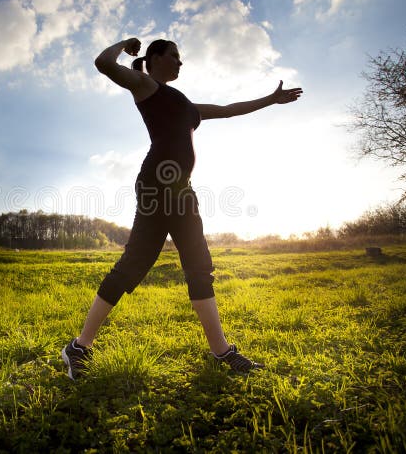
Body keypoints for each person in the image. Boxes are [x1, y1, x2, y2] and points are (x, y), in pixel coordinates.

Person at [62, 37, 303, 380]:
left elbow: (228, 109)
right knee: (134, 264)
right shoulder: (146, 85)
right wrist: (125, 44)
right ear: (155, 58)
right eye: (174, 56)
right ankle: (79, 346)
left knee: (199, 266)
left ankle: (222, 352)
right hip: (155, 185)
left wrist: (271, 99)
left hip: (182, 192)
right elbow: (103, 63)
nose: (180, 62)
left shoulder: (186, 104)